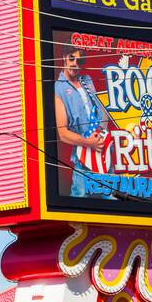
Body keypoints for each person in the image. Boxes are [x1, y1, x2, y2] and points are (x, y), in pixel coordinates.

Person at [54, 43, 112, 198]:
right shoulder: (58, 88)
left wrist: (100, 136)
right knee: (79, 210)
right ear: (64, 58)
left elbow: (101, 111)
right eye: (71, 59)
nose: (74, 64)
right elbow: (62, 133)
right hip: (82, 156)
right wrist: (88, 142)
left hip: (102, 150)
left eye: (79, 61)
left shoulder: (87, 80)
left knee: (112, 202)